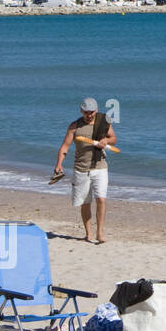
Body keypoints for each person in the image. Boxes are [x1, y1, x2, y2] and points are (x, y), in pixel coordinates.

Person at [55, 97, 116, 244]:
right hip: (81, 168)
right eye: (86, 112)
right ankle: (88, 233)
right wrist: (59, 164)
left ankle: (100, 232)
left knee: (101, 199)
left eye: (91, 112)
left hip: (100, 166)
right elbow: (65, 146)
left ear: (96, 110)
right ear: (81, 111)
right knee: (85, 202)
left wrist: (106, 141)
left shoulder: (103, 122)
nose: (89, 115)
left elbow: (113, 138)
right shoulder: (74, 126)